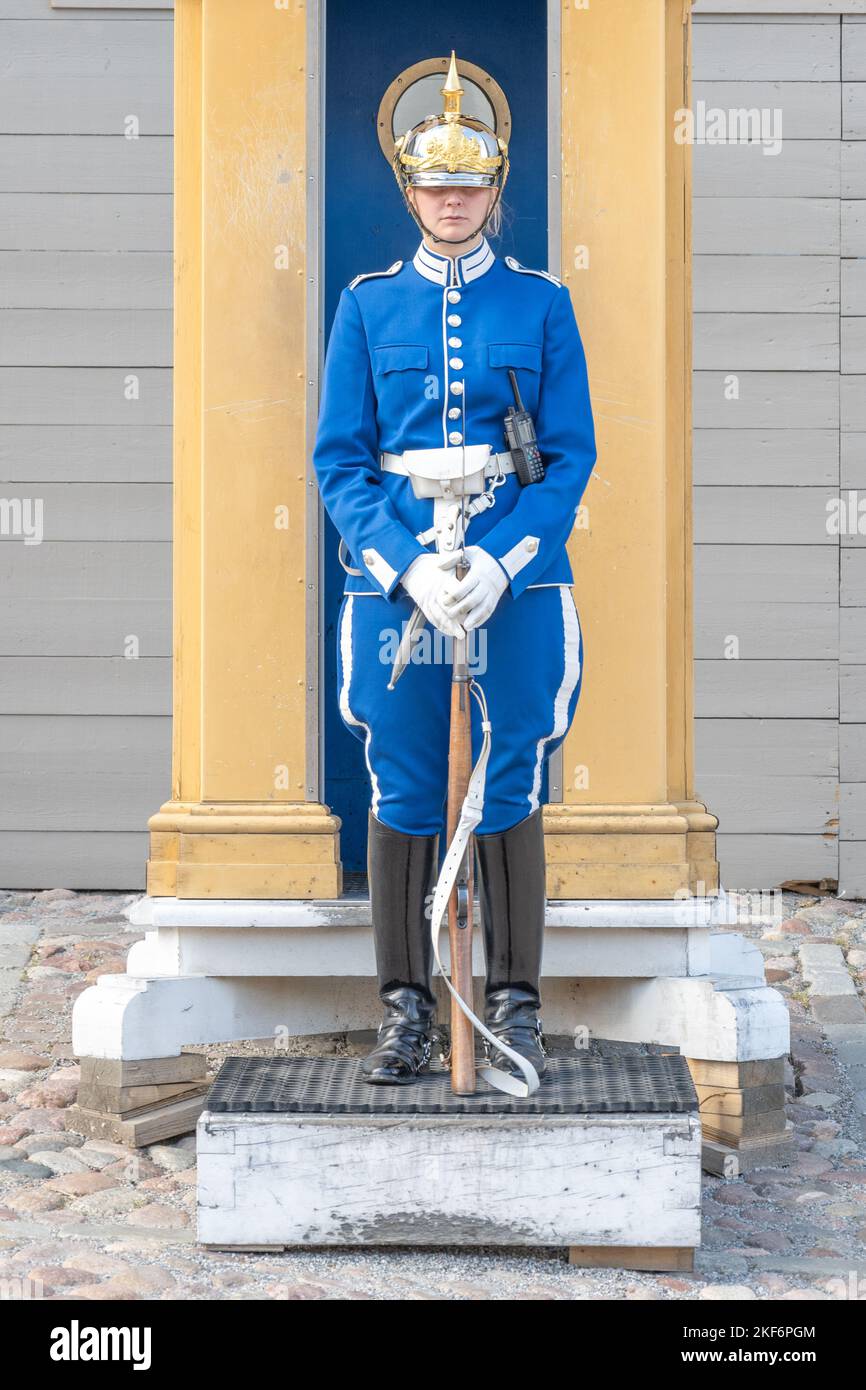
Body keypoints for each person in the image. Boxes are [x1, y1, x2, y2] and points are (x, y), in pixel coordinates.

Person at [312, 53, 597, 1085]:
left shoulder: (541, 303)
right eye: (434, 185)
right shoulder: (367, 306)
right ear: (408, 191)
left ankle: (515, 1004)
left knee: (510, 769)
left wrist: (501, 555)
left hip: (511, 577)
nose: (450, 200)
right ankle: (405, 1009)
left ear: (494, 188)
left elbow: (567, 457)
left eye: (468, 184)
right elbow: (338, 462)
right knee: (401, 783)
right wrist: (401, 566)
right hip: (399, 583)